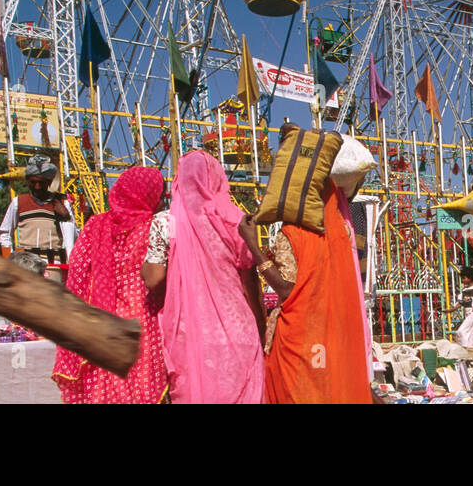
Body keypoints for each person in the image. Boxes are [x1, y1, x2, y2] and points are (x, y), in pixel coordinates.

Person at [145, 150, 265, 403]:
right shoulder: (236, 221)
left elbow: (154, 278)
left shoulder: (165, 223)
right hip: (238, 332)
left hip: (189, 335)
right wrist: (260, 329)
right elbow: (250, 284)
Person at [244, 177, 371, 404]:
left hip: (300, 339)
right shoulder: (342, 233)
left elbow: (286, 290)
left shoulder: (292, 233)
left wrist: (254, 247)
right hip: (334, 332)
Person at [53, 167, 168, 404]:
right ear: (145, 195)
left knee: (106, 388)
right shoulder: (154, 228)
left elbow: (77, 274)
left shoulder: (95, 226)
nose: (163, 201)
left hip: (102, 323)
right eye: (160, 195)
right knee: (142, 388)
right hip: (145, 322)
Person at [0, 155, 75, 264]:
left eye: (42, 183)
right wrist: (11, 257)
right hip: (27, 266)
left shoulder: (63, 204)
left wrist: (66, 219)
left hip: (55, 264)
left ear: (49, 182)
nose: (37, 187)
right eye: (33, 182)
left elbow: (75, 236)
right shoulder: (18, 202)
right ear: (27, 181)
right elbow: (5, 232)